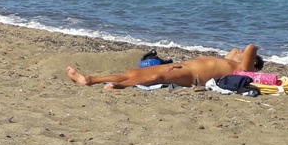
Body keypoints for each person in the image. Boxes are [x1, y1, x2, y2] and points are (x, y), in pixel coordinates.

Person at [67, 44, 263, 90]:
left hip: (191, 75)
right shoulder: (230, 60)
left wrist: (247, 56)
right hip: (181, 67)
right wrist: (236, 52)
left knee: (155, 78)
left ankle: (123, 86)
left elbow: (250, 47)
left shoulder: (246, 69)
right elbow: (235, 50)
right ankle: (90, 79)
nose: (237, 52)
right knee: (132, 72)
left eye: (241, 54)